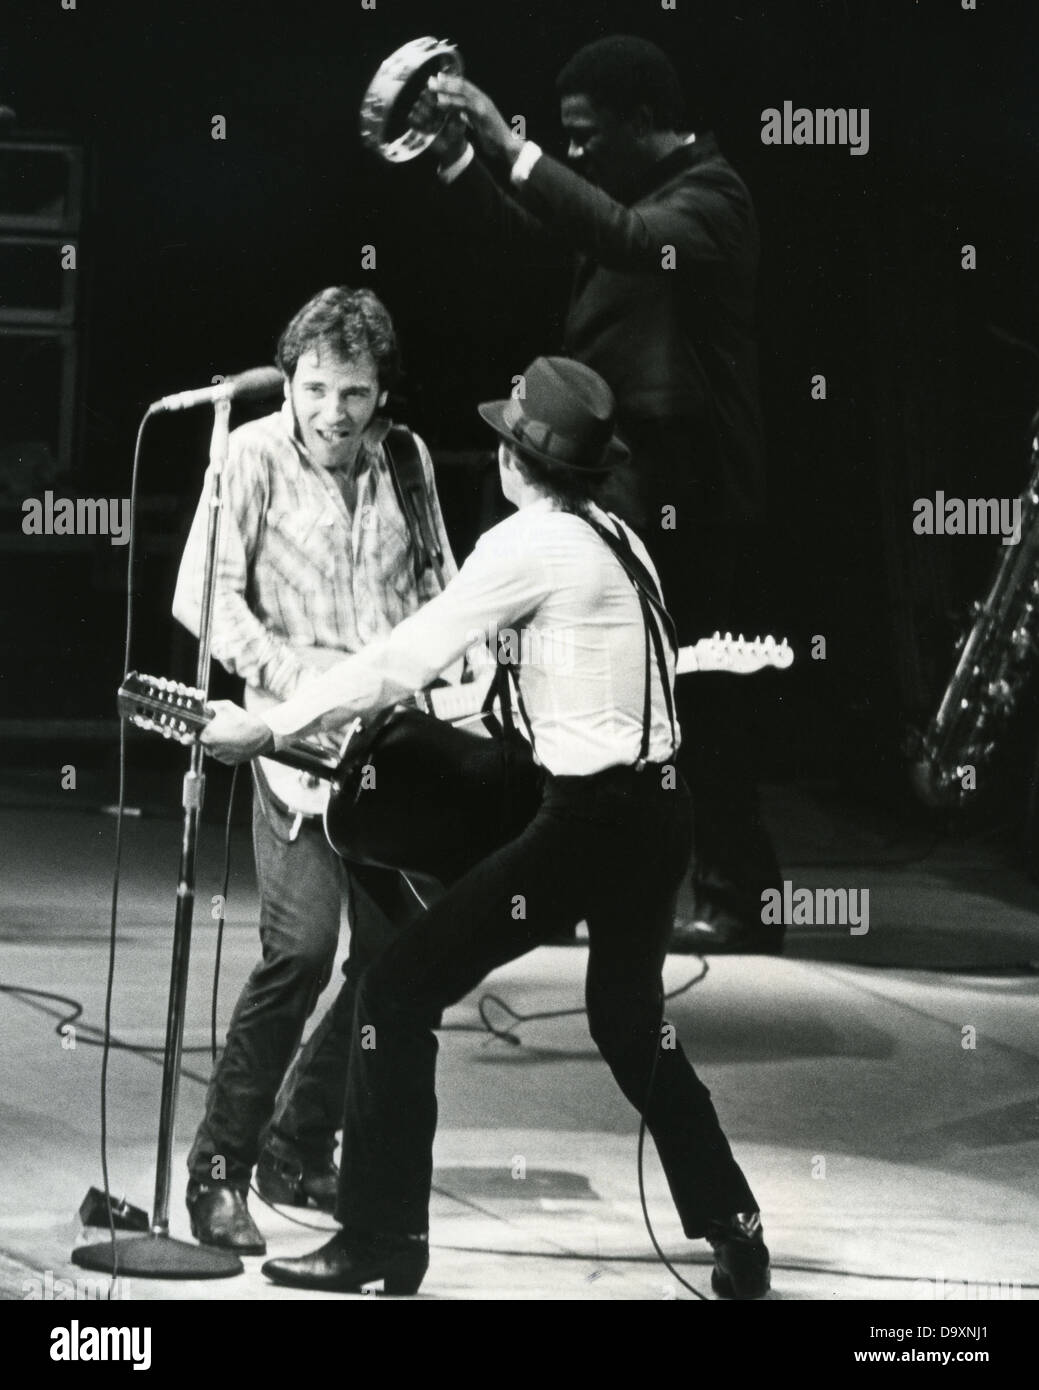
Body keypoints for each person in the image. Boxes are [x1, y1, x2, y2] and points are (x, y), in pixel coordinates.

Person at [200, 356, 771, 1299]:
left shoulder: (526, 542)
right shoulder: (620, 536)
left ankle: (381, 1240)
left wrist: (269, 723)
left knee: (395, 991)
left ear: (514, 463)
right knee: (631, 1029)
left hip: (588, 820)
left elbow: (401, 655)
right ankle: (735, 1231)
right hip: (660, 815)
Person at [412, 35, 782, 952]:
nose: (574, 153)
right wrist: (462, 156)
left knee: (693, 687)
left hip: (688, 492)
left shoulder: (710, 198)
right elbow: (543, 233)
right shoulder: (638, 195)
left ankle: (740, 899)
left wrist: (510, 143)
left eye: (584, 135)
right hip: (630, 480)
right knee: (597, 685)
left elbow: (620, 238)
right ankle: (595, 884)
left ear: (645, 123)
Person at [171, 286, 457, 1254]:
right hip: (291, 742)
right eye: (317, 388)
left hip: (390, 747)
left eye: (357, 391)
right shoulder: (247, 453)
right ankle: (217, 1169)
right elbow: (202, 601)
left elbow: (440, 592)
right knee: (299, 951)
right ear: (289, 380)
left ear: (382, 393)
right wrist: (300, 685)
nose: (335, 411)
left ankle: (299, 1144)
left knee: (394, 960)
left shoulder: (406, 461)